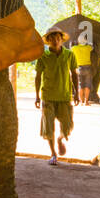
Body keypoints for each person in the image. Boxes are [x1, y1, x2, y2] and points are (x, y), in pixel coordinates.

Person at [35, 29, 78, 165]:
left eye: (58, 38)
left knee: (67, 125)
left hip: (65, 95)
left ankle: (60, 139)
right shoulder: (43, 56)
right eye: (52, 39)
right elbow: (38, 76)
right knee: (48, 127)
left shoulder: (69, 55)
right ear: (48, 41)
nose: (55, 41)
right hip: (48, 96)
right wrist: (37, 96)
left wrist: (76, 92)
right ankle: (53, 154)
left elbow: (74, 74)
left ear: (62, 40)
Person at [69, 35, 95, 105]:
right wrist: (88, 43)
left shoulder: (74, 48)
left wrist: (74, 43)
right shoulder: (88, 48)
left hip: (78, 68)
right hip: (88, 67)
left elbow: (70, 47)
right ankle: (86, 101)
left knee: (80, 85)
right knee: (87, 84)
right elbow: (92, 46)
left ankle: (81, 101)